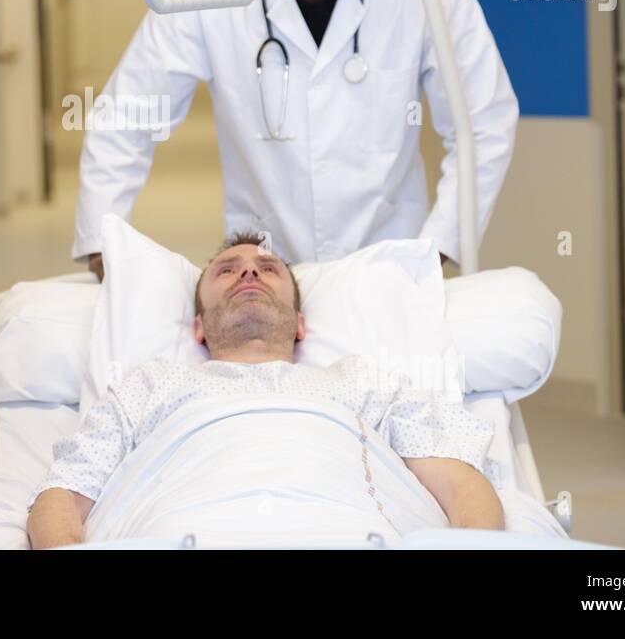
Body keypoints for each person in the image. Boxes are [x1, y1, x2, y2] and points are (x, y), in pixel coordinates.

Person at [76, 0, 518, 277]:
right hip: (264, 271)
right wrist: (101, 241)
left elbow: (482, 120)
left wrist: (438, 246)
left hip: (391, 262)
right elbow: (129, 113)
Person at [26, 233, 503, 549]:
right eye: (227, 270)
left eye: (267, 268)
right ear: (198, 326)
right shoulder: (146, 387)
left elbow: (462, 486)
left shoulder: (363, 382)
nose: (248, 274)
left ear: (300, 324)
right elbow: (62, 499)